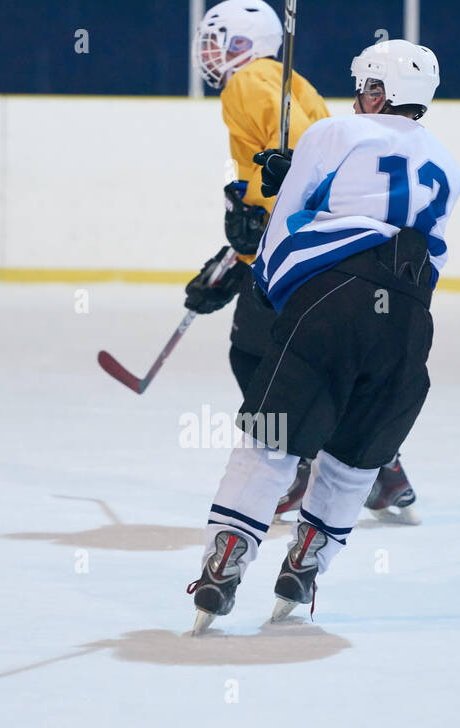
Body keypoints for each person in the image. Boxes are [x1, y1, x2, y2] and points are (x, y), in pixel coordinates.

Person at [188, 39, 460, 634]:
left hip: (332, 302)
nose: (359, 95)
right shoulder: (450, 163)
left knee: (271, 436)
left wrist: (269, 281)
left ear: (380, 91)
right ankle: (308, 559)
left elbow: (282, 232)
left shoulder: (331, 134)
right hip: (412, 322)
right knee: (356, 455)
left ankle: (227, 555)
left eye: (366, 85)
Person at [181, 0, 326, 517]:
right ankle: (383, 470)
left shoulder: (246, 84)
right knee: (301, 356)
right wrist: (239, 250)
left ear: (247, 44)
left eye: (222, 41)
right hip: (307, 239)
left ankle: (299, 461)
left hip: (290, 244)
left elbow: (292, 156)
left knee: (252, 354)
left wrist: (257, 228)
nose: (211, 52)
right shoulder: (292, 82)